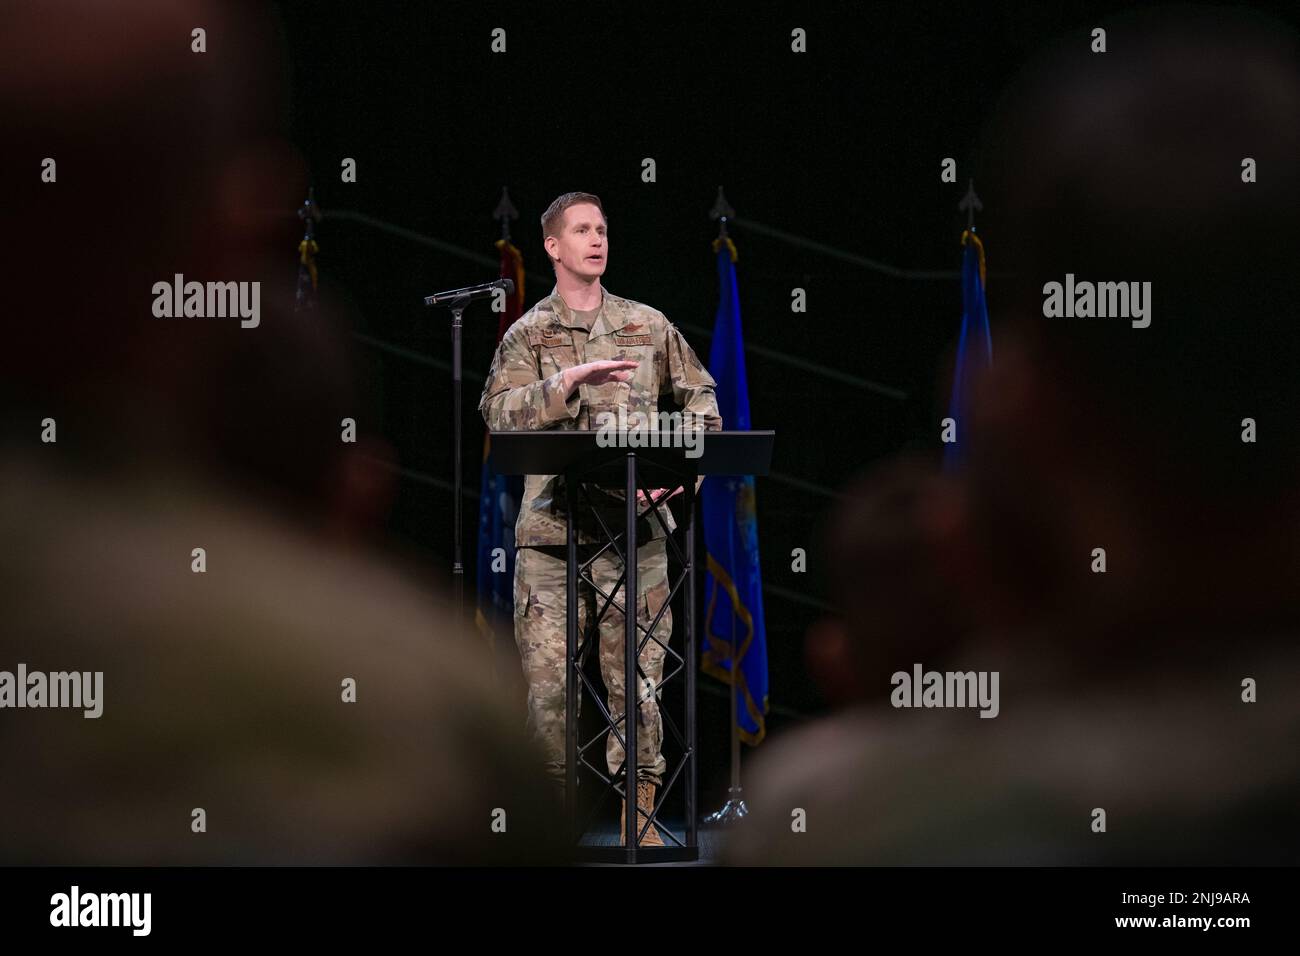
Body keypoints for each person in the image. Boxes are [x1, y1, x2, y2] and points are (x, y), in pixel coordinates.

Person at [479, 191, 722, 845]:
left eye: (603, 229)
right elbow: (497, 417)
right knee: (550, 697)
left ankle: (638, 817)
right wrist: (568, 383)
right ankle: (548, 830)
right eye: (581, 230)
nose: (597, 239)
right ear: (553, 246)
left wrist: (680, 478)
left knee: (638, 688)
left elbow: (705, 404)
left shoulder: (649, 325)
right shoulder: (528, 334)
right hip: (552, 539)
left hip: (634, 536)